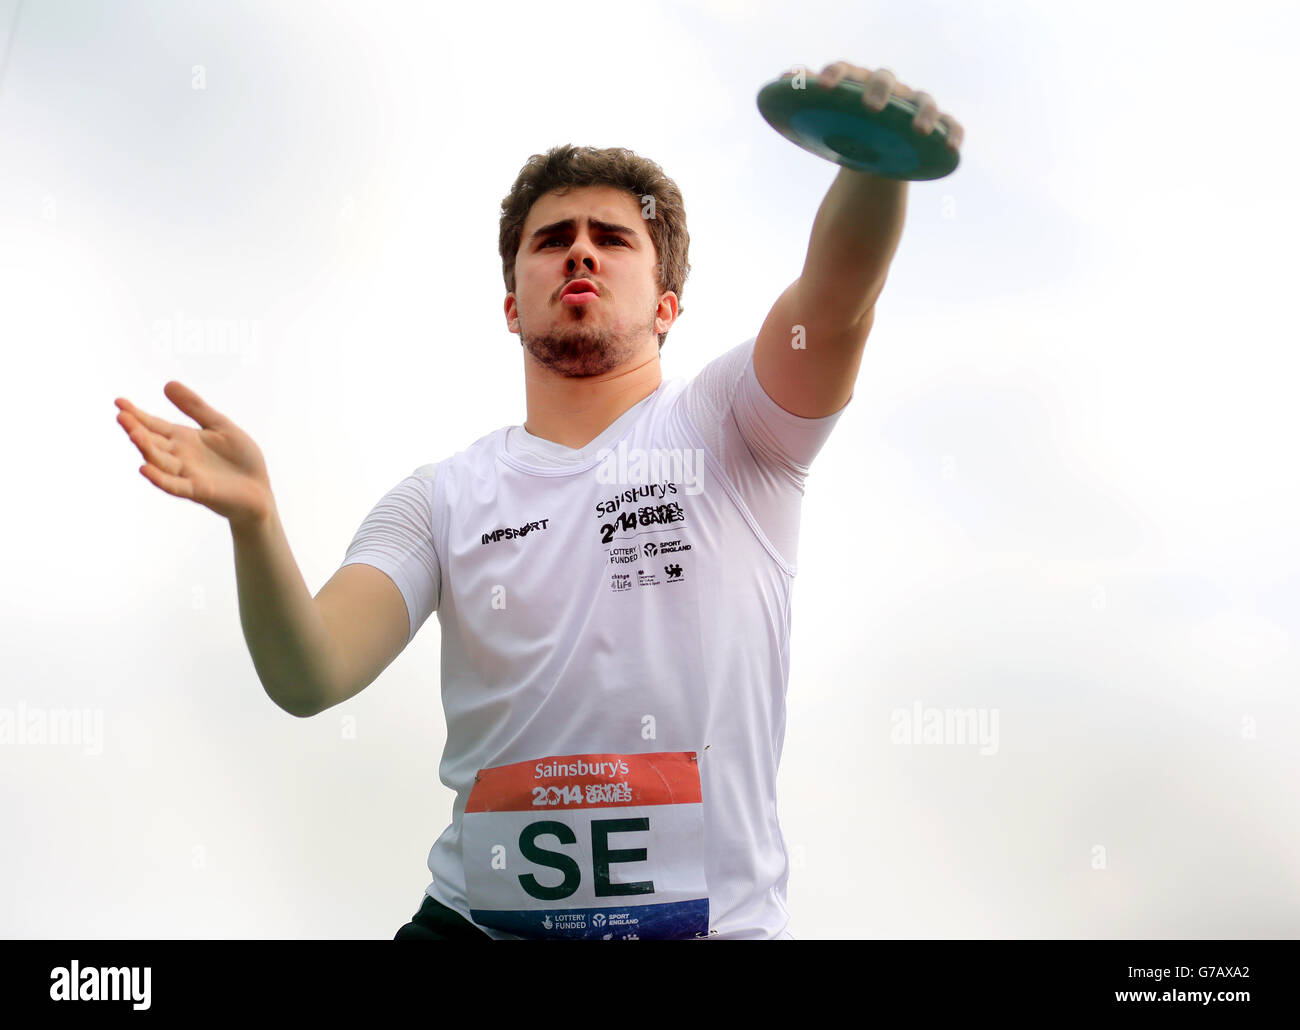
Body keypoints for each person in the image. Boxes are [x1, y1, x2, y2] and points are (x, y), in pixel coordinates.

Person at [115, 66, 955, 939]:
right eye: (554, 238)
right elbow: (309, 674)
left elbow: (837, 299)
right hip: (471, 931)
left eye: (614, 239)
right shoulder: (440, 497)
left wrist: (873, 162)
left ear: (668, 304)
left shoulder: (736, 427)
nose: (581, 251)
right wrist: (256, 525)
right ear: (513, 306)